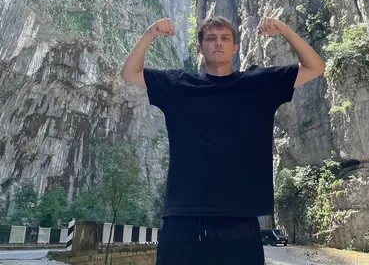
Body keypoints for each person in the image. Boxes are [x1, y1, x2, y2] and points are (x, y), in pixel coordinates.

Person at [121, 14, 325, 265]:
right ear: (200, 47)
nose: (218, 42)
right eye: (211, 38)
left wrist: (284, 30)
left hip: (239, 220)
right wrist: (150, 32)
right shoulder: (178, 85)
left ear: (235, 47)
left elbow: (315, 67)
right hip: (184, 218)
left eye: (225, 38)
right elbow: (130, 73)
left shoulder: (260, 84)